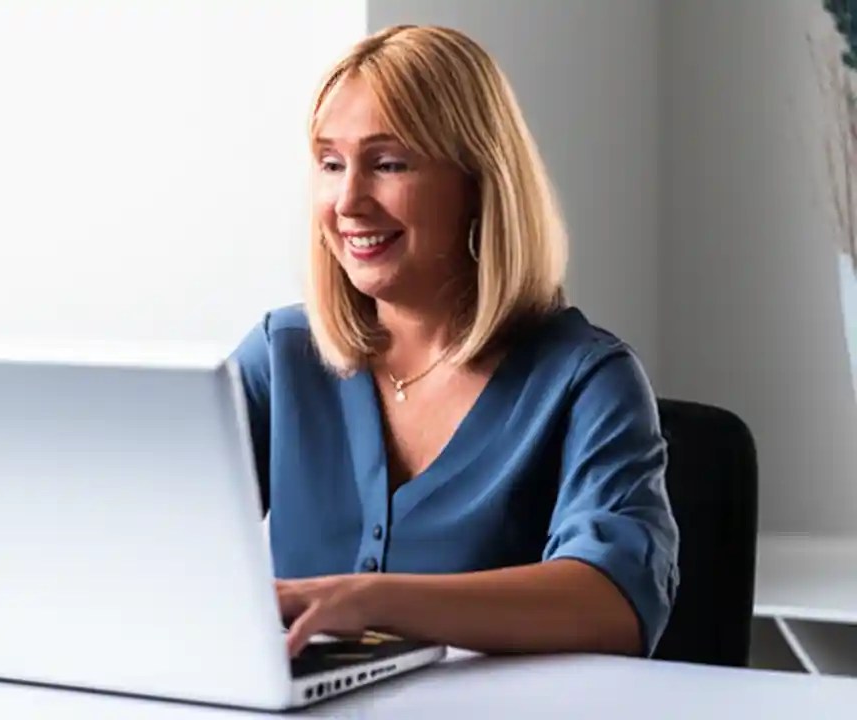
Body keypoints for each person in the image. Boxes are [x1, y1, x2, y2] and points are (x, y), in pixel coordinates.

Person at [232, 25, 680, 660]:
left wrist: (376, 600)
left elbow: (615, 602)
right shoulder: (282, 356)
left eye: (389, 164)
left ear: (477, 182)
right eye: (331, 164)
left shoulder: (586, 380)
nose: (348, 201)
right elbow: (147, 527)